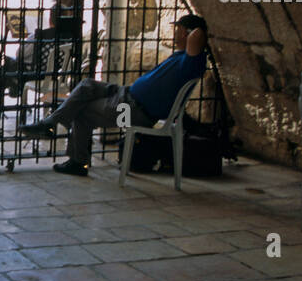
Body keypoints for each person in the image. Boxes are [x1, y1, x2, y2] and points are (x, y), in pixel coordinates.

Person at [19, 14, 209, 175]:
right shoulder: (182, 56)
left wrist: (193, 28)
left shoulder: (193, 62)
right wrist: (187, 29)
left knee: (81, 111)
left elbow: (199, 34)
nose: (176, 33)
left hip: (134, 111)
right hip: (127, 94)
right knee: (87, 85)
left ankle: (77, 162)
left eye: (180, 30)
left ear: (187, 33)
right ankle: (50, 124)